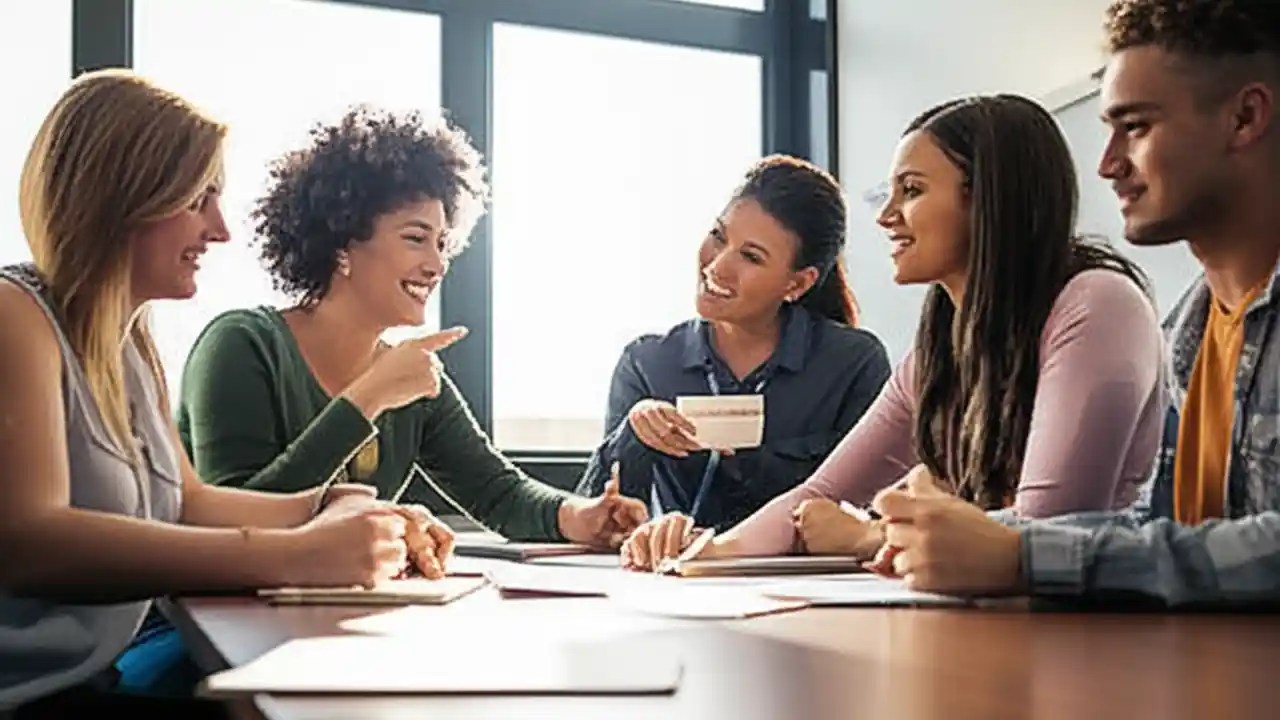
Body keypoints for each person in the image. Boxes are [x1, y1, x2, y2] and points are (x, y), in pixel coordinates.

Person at [0, 69, 446, 717]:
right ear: (123, 197)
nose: (220, 229)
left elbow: (186, 503)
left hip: (86, 686)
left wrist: (337, 505)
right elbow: (29, 543)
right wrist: (293, 556)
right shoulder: (15, 313)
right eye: (198, 198)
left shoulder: (132, 344)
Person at [622, 93, 1166, 570]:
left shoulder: (1096, 304)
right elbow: (821, 494)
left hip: (1096, 639)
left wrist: (868, 537)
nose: (886, 215)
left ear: (987, 199)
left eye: (911, 190)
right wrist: (705, 556)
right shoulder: (940, 345)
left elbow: (1049, 529)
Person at [864, 0, 1280, 607]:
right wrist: (968, 535)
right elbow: (1170, 534)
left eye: (1135, 127)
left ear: (1245, 117)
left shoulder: (1107, 303)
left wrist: (1024, 555)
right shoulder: (1192, 328)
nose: (1108, 163)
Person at [176, 105, 647, 547]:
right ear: (342, 242)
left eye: (443, 243)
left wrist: (580, 516)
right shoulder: (242, 345)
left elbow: (497, 492)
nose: (436, 264)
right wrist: (369, 397)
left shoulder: (415, 378)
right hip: (209, 621)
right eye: (416, 239)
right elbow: (239, 523)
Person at [575, 155, 892, 533]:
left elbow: (873, 508)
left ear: (797, 284)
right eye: (718, 236)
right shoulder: (647, 363)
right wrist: (634, 433)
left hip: (806, 582)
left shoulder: (853, 363)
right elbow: (602, 521)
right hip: (680, 578)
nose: (717, 266)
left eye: (751, 257)